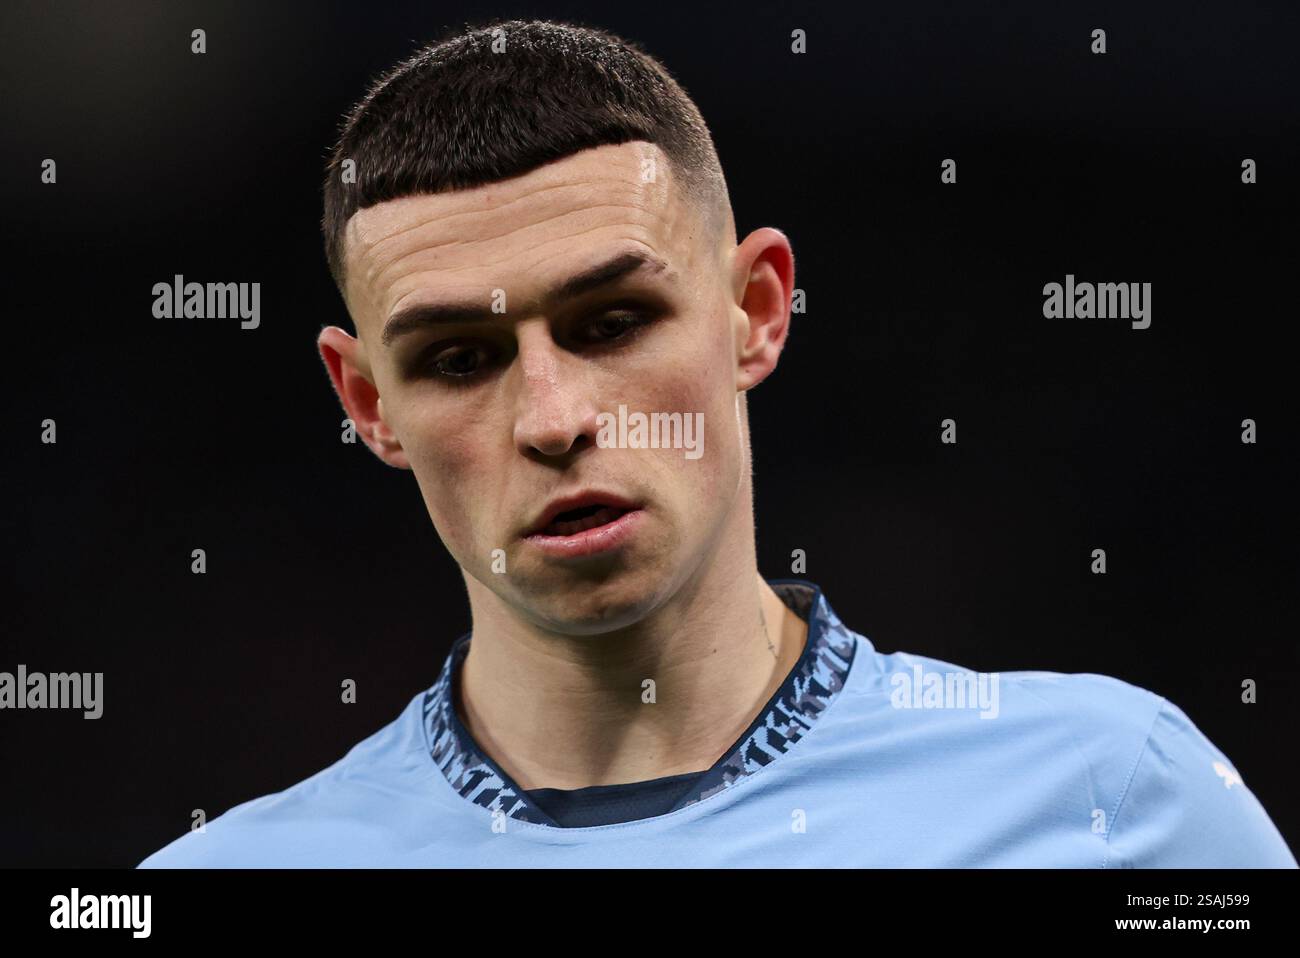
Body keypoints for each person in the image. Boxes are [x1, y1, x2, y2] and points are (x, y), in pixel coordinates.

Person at [139, 18, 1295, 867]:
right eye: (457, 357)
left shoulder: (1117, 801)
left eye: (613, 322)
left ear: (756, 310)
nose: (552, 418)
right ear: (368, 404)